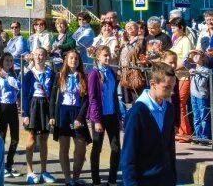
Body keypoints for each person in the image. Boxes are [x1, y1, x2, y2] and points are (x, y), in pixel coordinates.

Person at [119, 64, 177, 186]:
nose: (171, 92)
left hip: (165, 179)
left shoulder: (169, 109)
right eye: (166, 87)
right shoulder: (137, 113)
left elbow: (170, 147)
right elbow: (128, 155)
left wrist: (172, 176)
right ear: (153, 84)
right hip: (144, 180)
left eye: (173, 87)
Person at [51, 49, 89, 186]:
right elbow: (53, 97)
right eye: (71, 58)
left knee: (80, 147)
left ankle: (76, 176)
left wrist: (80, 117)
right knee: (64, 147)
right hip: (63, 113)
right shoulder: (59, 75)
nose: (74, 60)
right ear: (66, 60)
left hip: (77, 114)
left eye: (76, 58)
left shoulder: (83, 76)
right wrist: (52, 115)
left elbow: (86, 100)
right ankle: (68, 178)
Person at [87, 45, 122, 186]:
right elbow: (93, 98)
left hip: (112, 115)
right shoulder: (94, 74)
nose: (107, 57)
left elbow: (115, 96)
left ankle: (112, 180)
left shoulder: (111, 72)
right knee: (97, 148)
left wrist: (118, 116)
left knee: (116, 148)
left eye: (108, 55)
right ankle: (96, 180)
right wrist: (96, 120)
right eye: (104, 55)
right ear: (97, 57)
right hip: (99, 116)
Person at [21, 46, 56, 185]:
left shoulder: (51, 73)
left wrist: (53, 114)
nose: (39, 57)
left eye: (42, 55)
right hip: (33, 105)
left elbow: (53, 95)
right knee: (31, 139)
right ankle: (30, 171)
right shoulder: (29, 74)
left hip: (46, 106)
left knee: (44, 139)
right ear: (33, 57)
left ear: (46, 57)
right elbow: (24, 95)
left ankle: (44, 171)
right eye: (37, 55)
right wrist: (25, 113)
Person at [0, 52, 22, 178]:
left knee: (15, 138)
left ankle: (9, 165)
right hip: (2, 107)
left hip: (13, 108)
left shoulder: (13, 75)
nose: (9, 63)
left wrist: (8, 77)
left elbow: (19, 86)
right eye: (7, 61)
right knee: (1, 138)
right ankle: (0, 166)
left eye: (11, 60)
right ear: (2, 62)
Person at [187, 49, 212, 141]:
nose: (195, 57)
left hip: (201, 95)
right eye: (194, 56)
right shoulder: (193, 67)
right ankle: (198, 136)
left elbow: (202, 84)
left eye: (197, 55)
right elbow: (185, 61)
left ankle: (204, 137)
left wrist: (197, 74)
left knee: (203, 116)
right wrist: (191, 51)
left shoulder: (205, 70)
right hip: (193, 94)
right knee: (196, 116)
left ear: (202, 58)